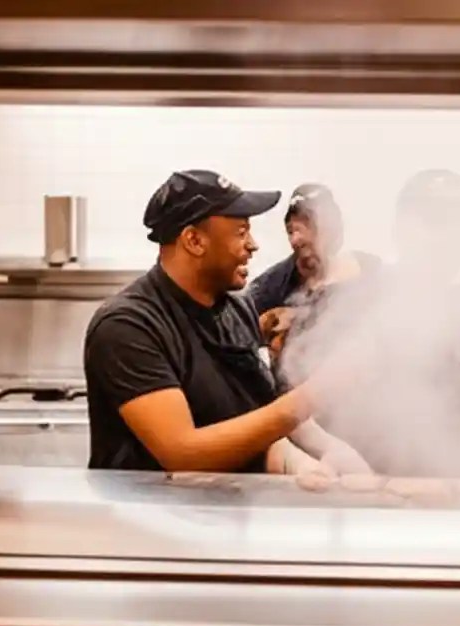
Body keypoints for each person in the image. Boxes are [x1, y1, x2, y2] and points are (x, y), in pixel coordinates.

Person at [81, 169, 370, 483]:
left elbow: (259, 409)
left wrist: (319, 453)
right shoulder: (129, 327)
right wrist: (312, 395)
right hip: (148, 521)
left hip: (228, 516)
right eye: (241, 231)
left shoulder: (237, 308)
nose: (253, 245)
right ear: (194, 240)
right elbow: (182, 453)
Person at [309, 169, 460, 477]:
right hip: (369, 495)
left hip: (442, 497)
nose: (453, 235)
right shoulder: (357, 299)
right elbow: (304, 407)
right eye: (438, 221)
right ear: (402, 230)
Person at [246, 183, 380, 316]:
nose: (296, 239)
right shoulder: (270, 290)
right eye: (291, 230)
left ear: (332, 228)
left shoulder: (372, 272)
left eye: (307, 225)